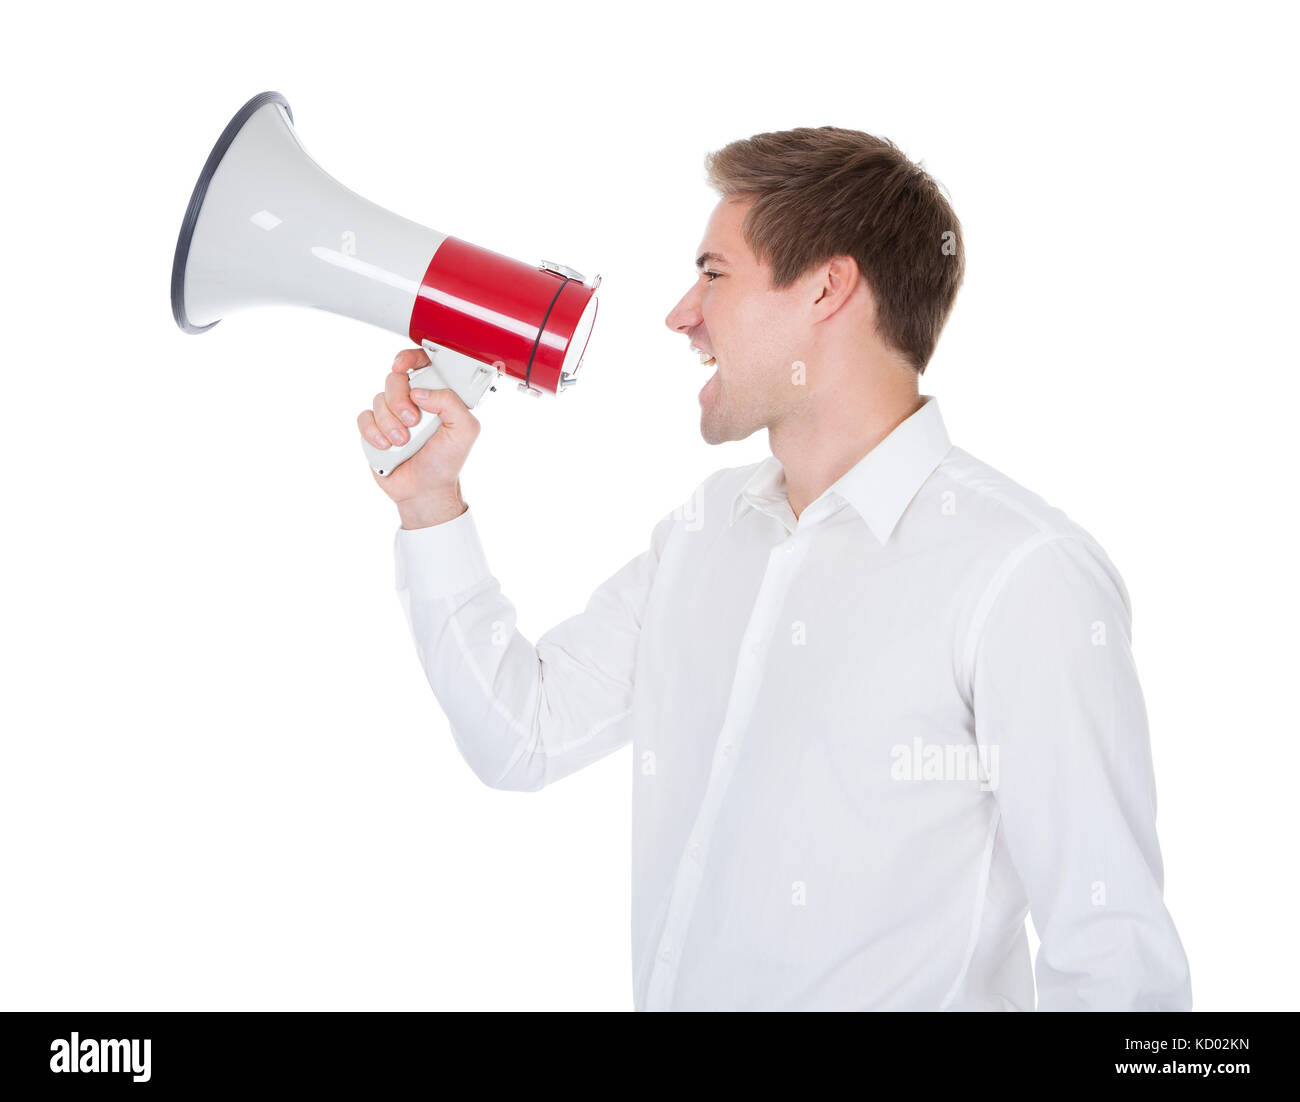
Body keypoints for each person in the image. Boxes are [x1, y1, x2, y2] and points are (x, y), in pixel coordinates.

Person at [356, 126, 1192, 1011]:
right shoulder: (705, 534)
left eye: (713, 273)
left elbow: (1115, 966)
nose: (682, 313)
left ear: (829, 287)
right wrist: (429, 504)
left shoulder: (1023, 575)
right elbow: (522, 738)